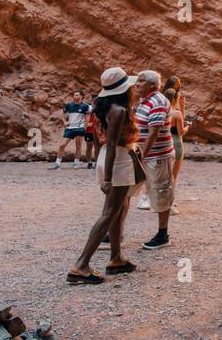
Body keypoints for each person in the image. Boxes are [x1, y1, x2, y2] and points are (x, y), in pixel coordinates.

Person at [67, 68, 143, 283]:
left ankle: (116, 258)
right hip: (117, 161)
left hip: (110, 159)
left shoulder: (103, 108)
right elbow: (111, 143)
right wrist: (108, 178)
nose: (133, 89)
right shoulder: (118, 110)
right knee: (109, 212)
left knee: (118, 210)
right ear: (123, 90)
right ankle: (81, 266)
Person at [133, 70, 175, 249]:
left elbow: (154, 132)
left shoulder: (157, 101)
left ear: (152, 85)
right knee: (126, 191)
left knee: (160, 191)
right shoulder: (145, 101)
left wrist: (143, 155)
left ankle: (162, 234)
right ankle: (115, 233)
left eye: (141, 81)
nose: (137, 84)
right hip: (144, 154)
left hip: (156, 156)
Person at [162, 81, 189, 213]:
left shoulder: (160, 111)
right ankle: (170, 204)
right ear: (174, 99)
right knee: (173, 175)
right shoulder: (176, 114)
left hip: (163, 142)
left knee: (164, 174)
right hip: (176, 142)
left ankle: (162, 201)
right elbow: (181, 132)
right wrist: (188, 125)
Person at [50, 91, 91, 168]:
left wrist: (84, 128)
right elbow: (62, 114)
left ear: (81, 96)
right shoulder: (69, 105)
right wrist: (65, 122)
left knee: (78, 146)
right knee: (62, 145)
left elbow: (87, 119)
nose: (74, 96)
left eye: (76, 95)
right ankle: (57, 163)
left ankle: (76, 163)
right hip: (70, 128)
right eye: (74, 95)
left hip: (80, 128)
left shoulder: (86, 106)